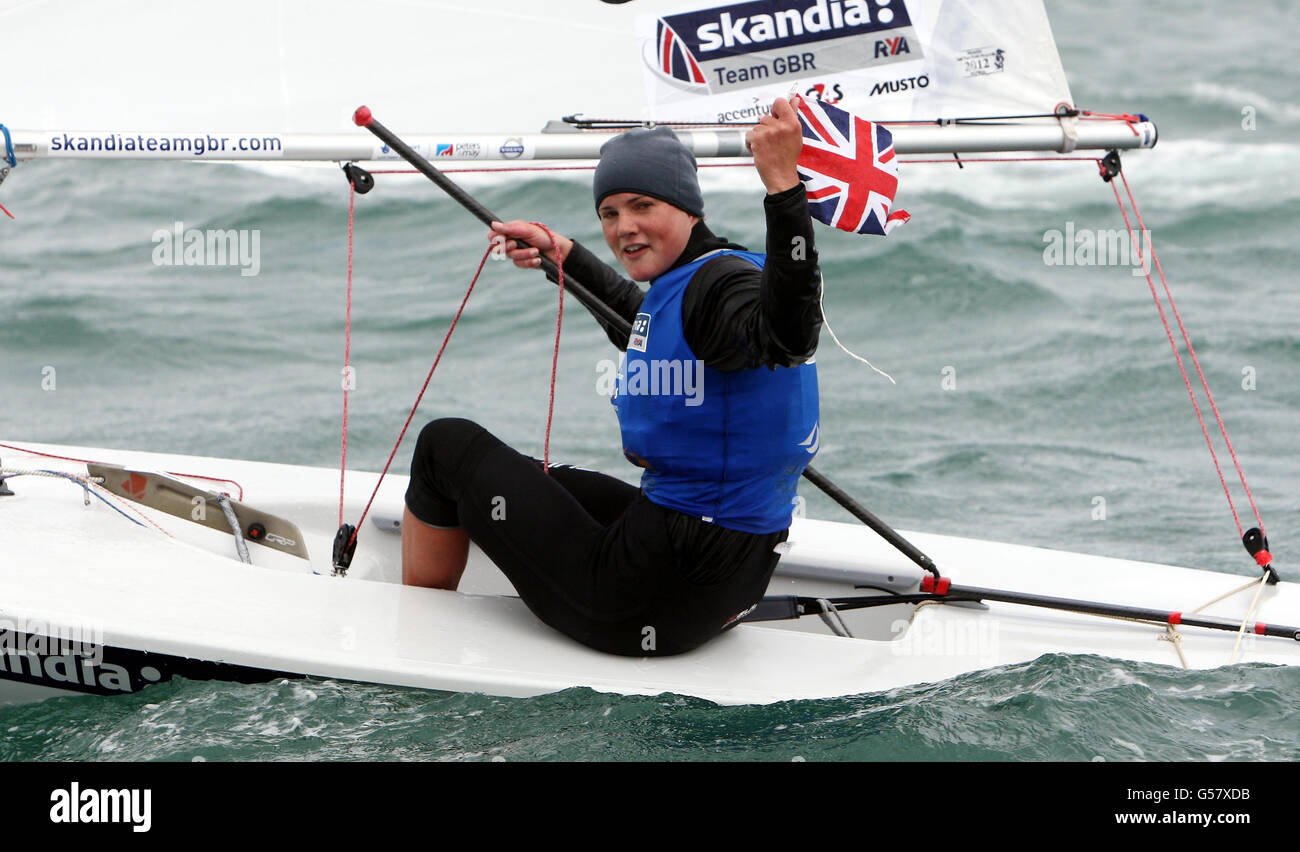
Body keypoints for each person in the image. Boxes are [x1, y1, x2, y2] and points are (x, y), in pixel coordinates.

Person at [401, 96, 822, 656]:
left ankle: (412, 636)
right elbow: (643, 326)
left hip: (642, 599)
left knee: (444, 448)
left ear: (687, 207)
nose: (624, 228)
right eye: (609, 213)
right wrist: (565, 256)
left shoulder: (723, 290)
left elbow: (791, 335)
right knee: (539, 479)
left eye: (642, 205)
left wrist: (783, 187)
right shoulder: (705, 276)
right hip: (725, 585)